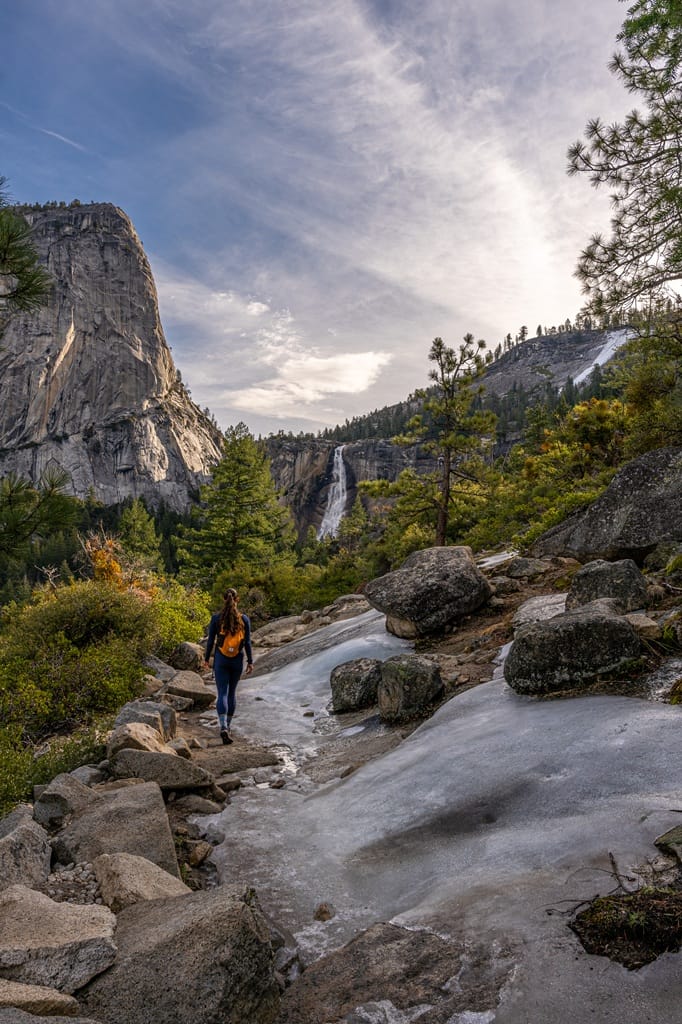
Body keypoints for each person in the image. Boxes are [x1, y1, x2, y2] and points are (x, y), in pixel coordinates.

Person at [204, 587, 253, 745]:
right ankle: (228, 727)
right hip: (237, 660)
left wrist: (206, 659)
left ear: (224, 599)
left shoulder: (216, 619)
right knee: (232, 694)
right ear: (237, 600)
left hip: (221, 660)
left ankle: (223, 726)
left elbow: (210, 641)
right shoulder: (244, 619)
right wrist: (250, 661)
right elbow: (247, 643)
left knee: (222, 693)